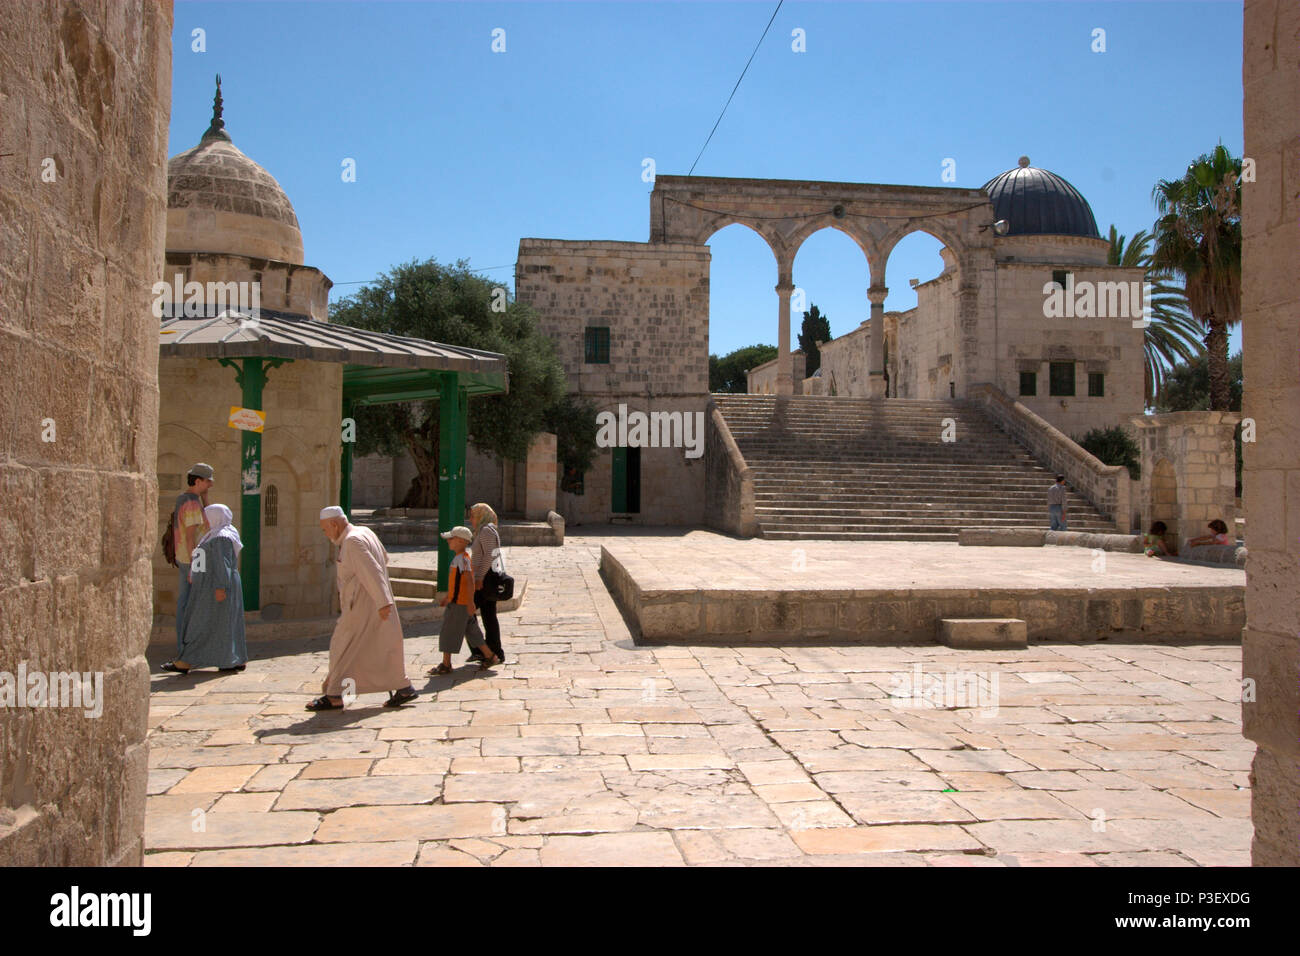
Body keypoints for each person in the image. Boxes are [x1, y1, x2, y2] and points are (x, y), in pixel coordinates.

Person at [308, 506, 418, 711]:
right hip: (368, 602)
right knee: (370, 649)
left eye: (324, 529)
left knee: (342, 646)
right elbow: (384, 558)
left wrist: (383, 601)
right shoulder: (365, 532)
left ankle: (334, 695)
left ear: (334, 524)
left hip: (360, 604)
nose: (325, 534)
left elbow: (373, 570)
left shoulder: (352, 541)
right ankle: (403, 687)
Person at [162, 504, 247, 674]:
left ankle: (186, 661)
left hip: (215, 587)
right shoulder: (212, 535)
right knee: (222, 623)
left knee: (199, 622)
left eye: (207, 517)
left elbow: (222, 564)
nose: (204, 521)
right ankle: (230, 659)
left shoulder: (222, 537)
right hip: (208, 586)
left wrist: (220, 587)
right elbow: (201, 556)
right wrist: (193, 574)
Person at [428, 525, 499, 675]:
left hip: (460, 604)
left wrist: (470, 602)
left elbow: (469, 581)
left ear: (460, 541)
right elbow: (458, 583)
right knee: (472, 631)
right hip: (459, 602)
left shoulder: (463, 560)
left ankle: (446, 664)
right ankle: (490, 656)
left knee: (448, 631)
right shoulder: (460, 559)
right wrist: (449, 597)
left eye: (451, 539)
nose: (448, 542)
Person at [173, 463, 214, 655]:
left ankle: (187, 646)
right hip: (192, 559)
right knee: (189, 602)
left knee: (188, 601)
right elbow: (190, 537)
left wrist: (205, 498)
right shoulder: (190, 504)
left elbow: (208, 520)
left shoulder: (187, 499)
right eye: (207, 481)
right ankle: (186, 647)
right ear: (198, 481)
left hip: (190, 558)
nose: (210, 485)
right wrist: (194, 566)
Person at [465, 502, 505, 665]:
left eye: (473, 516)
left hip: (485, 579)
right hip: (484, 578)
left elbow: (489, 556)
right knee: (488, 615)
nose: (470, 519)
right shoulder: (484, 530)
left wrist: (479, 578)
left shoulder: (487, 531)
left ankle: (483, 650)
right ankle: (490, 651)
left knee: (466, 611)